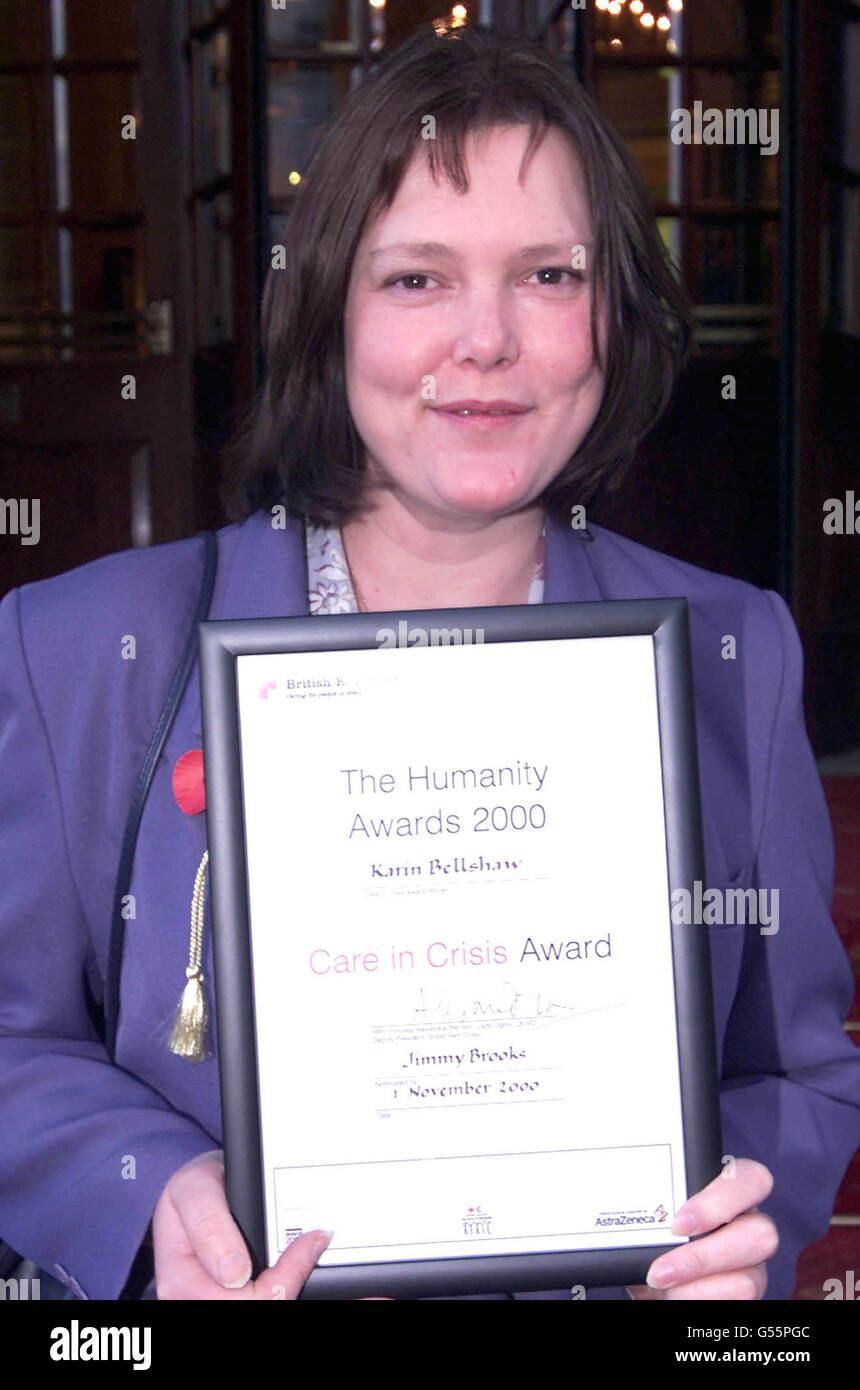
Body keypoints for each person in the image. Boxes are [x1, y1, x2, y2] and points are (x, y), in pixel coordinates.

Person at [1, 23, 858, 1303]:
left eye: (548, 276)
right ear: (328, 307)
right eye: (415, 279)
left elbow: (794, 1072)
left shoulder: (737, 650)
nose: (486, 340)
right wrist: (152, 1189)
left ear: (613, 313)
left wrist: (713, 1216)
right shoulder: (74, 652)